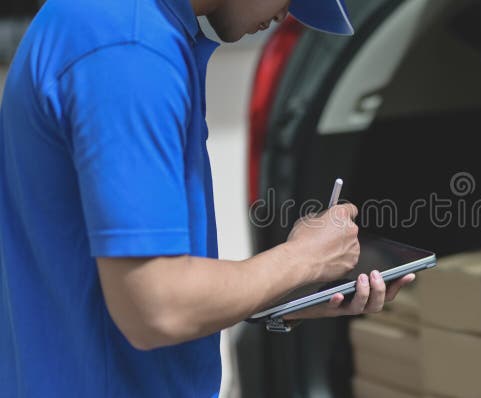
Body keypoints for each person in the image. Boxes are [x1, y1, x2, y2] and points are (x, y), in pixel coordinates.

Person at [0, 0, 414, 396]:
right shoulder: (130, 53)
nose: (287, 13)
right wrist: (304, 259)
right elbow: (157, 308)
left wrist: (285, 292)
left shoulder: (128, 28)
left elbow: (130, 281)